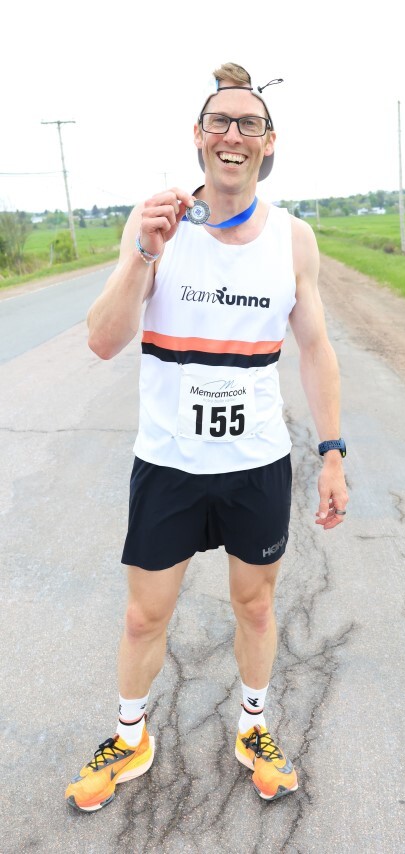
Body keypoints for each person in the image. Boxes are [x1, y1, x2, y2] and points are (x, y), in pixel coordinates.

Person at [65, 62, 348, 812]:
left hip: (254, 462)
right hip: (169, 462)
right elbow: (101, 340)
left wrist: (331, 453)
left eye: (247, 123)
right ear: (197, 138)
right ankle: (130, 737)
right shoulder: (153, 219)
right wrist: (145, 254)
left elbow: (316, 348)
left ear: (267, 141)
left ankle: (252, 728)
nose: (232, 134)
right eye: (219, 122)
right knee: (141, 614)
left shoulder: (293, 238)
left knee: (255, 607)